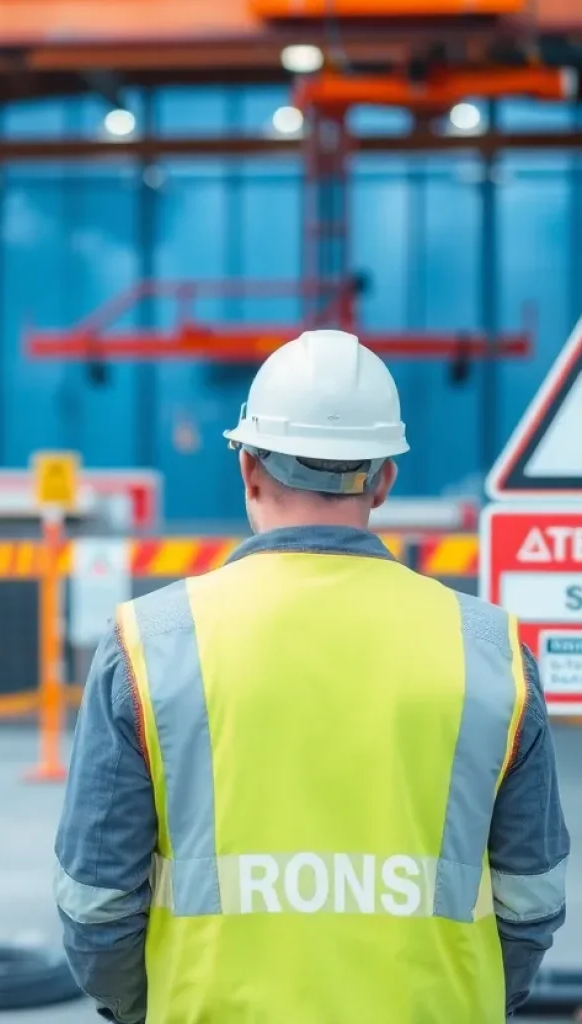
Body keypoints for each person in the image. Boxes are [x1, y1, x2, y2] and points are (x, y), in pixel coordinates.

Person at [54, 330, 569, 1023]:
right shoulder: (489, 653)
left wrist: (146, 1008)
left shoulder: (152, 645)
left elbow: (97, 905)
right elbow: (531, 901)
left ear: (248, 470)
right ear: (385, 478)